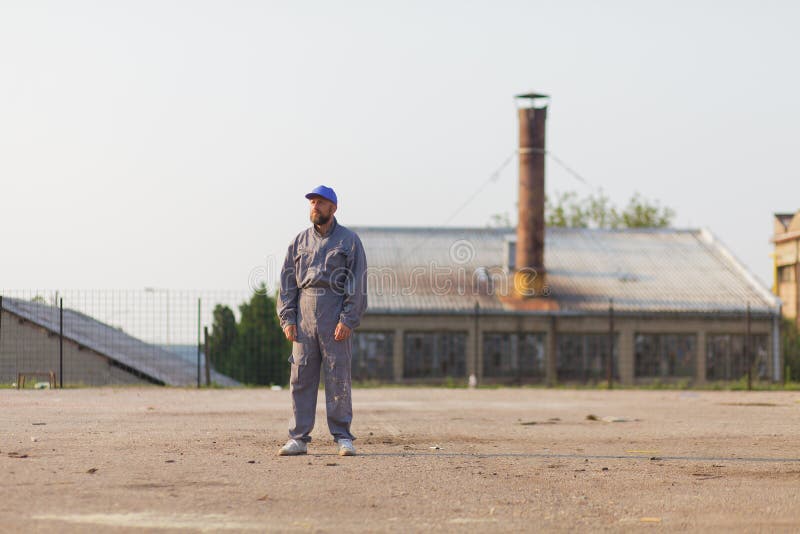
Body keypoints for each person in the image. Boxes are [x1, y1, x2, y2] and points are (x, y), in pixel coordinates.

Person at [276, 185, 368, 456]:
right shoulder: (298, 242)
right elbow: (286, 282)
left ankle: (342, 436)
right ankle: (298, 437)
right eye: (312, 202)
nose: (315, 206)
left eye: (320, 202)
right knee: (301, 375)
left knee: (338, 374)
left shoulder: (349, 241)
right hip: (304, 312)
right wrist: (287, 317)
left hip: (334, 309)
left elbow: (357, 282)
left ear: (333, 208)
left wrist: (348, 319)